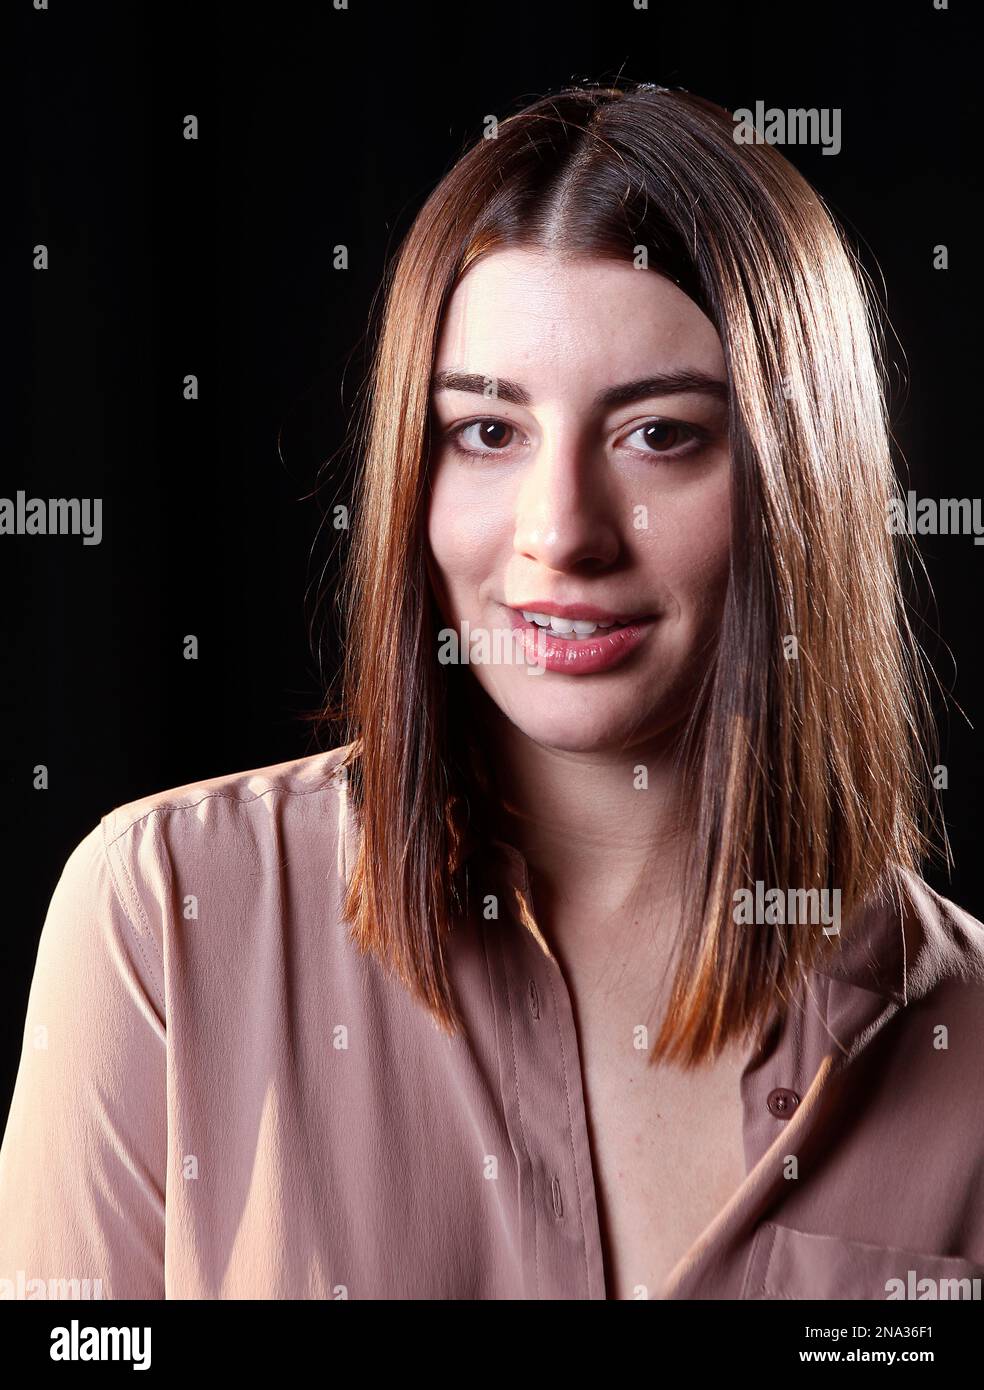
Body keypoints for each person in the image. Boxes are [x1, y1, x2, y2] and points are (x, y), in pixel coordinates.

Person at [2, 82, 983, 1302]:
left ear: (804, 487)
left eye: (661, 434)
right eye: (485, 431)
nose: (559, 533)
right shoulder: (160, 918)